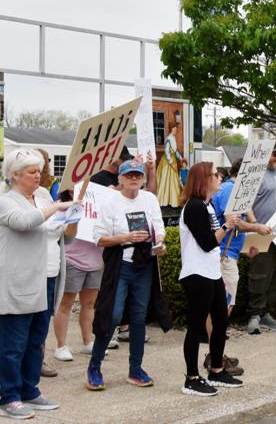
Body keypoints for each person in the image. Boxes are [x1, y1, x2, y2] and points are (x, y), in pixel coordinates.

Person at [0, 149, 73, 419]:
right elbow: (26, 222)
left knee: (35, 341)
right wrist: (56, 208)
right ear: (15, 175)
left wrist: (69, 216)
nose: (38, 175)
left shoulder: (39, 197)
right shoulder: (6, 201)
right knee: (13, 344)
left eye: (39, 170)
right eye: (31, 171)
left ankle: (30, 390)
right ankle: (9, 398)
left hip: (42, 279)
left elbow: (51, 229)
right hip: (16, 282)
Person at [87, 159, 168, 391]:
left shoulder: (149, 199)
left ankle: (136, 369)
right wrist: (126, 238)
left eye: (138, 175)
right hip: (120, 265)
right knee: (112, 315)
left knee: (138, 317)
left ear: (143, 179)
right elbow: (99, 238)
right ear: (119, 179)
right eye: (129, 175)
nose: (134, 179)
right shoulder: (111, 202)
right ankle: (94, 366)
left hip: (145, 263)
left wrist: (159, 242)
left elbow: (159, 228)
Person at [179, 162, 244, 396]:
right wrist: (227, 225)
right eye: (215, 174)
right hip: (197, 273)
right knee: (197, 327)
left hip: (211, 272)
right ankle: (191, 378)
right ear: (203, 180)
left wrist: (229, 225)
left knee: (220, 321)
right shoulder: (195, 207)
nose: (219, 177)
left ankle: (216, 369)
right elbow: (207, 243)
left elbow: (214, 242)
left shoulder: (206, 206)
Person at [209, 159, 267, 375]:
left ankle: (216, 354)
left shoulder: (237, 192)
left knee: (223, 308)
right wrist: (256, 227)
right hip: (222, 258)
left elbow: (235, 228)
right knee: (222, 309)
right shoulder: (230, 189)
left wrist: (249, 245)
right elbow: (231, 221)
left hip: (229, 255)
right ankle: (214, 358)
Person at [53, 188, 107, 363]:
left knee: (89, 304)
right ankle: (61, 345)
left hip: (95, 259)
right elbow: (57, 228)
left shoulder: (101, 201)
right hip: (72, 259)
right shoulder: (61, 206)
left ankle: (88, 341)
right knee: (65, 303)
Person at [245, 144, 276, 335]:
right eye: (275, 154)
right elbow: (245, 203)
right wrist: (255, 225)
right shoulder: (255, 174)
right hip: (262, 234)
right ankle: (254, 315)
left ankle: (265, 313)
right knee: (259, 274)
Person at [156, 123, 184, 207]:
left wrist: (181, 158)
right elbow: (167, 152)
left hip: (173, 159)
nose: (176, 131)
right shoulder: (168, 138)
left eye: (176, 129)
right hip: (167, 162)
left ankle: (173, 201)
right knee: (165, 180)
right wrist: (171, 162)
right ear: (171, 129)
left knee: (173, 181)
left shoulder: (173, 138)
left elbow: (175, 151)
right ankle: (163, 201)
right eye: (174, 129)